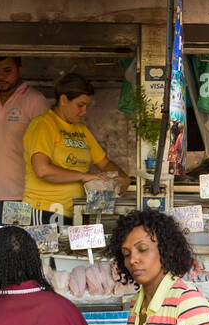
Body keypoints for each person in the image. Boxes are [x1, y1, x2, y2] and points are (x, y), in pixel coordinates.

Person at [22, 73, 131, 222]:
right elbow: (42, 170)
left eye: (87, 105)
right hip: (44, 210)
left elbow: (104, 162)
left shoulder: (80, 129)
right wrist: (83, 176)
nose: (84, 111)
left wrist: (123, 177)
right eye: (80, 105)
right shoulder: (44, 125)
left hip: (76, 212)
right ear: (63, 99)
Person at [0, 57, 50, 224]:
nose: (1, 76)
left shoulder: (35, 100)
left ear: (20, 70)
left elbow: (48, 148)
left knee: (23, 249)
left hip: (25, 197)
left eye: (7, 70)